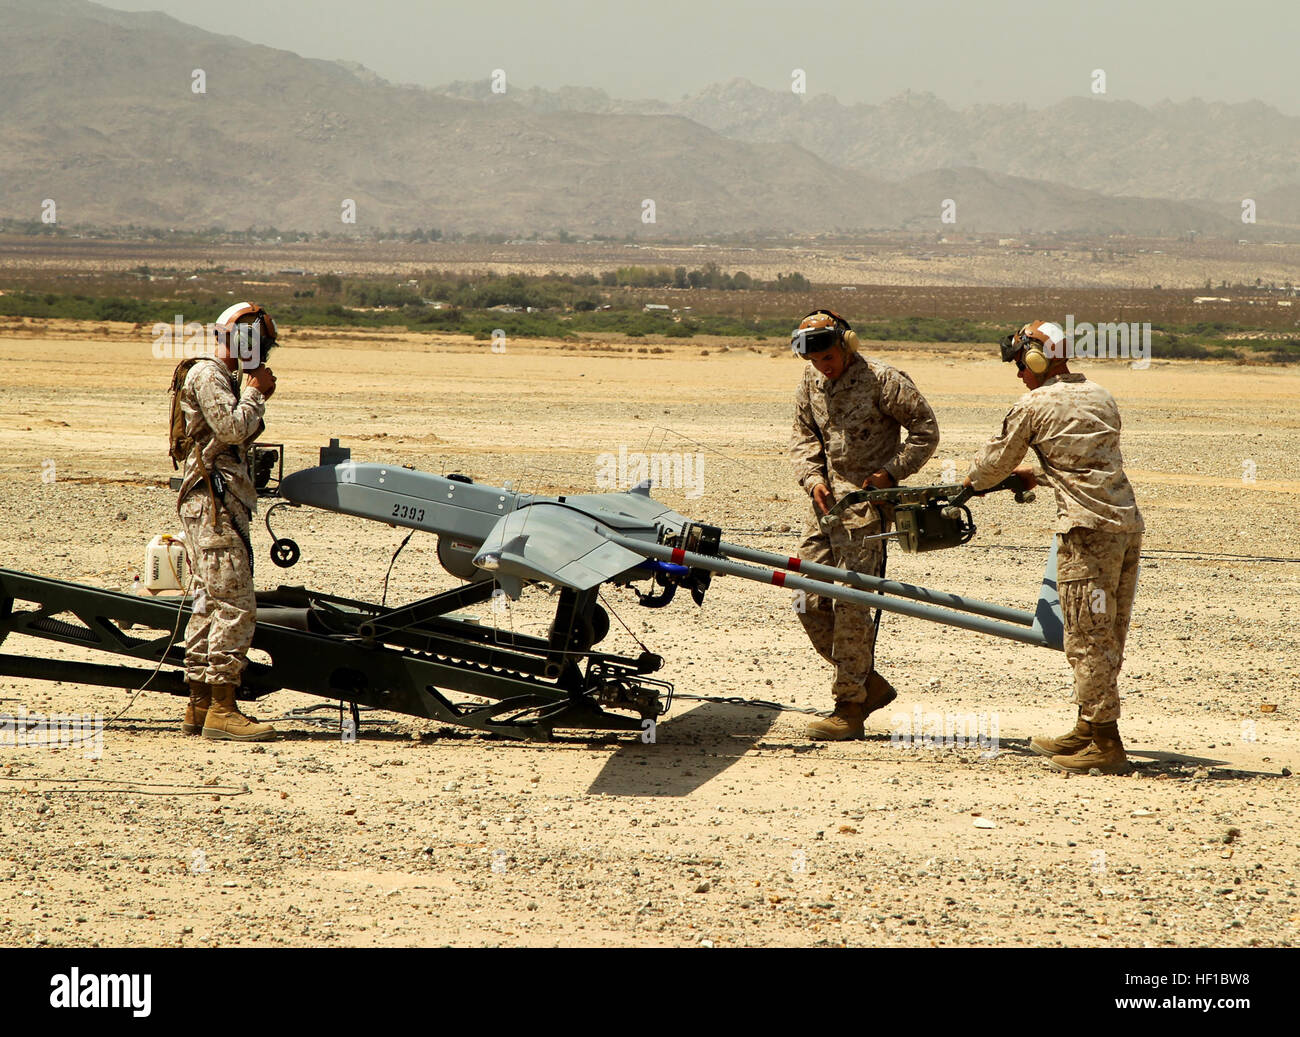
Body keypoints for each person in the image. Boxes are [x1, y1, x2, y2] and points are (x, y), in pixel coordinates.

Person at [964, 320, 1143, 774]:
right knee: (1107, 634)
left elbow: (991, 466)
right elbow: (1085, 463)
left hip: (1085, 535)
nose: (1018, 374)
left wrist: (971, 482)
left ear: (1037, 358)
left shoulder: (1034, 403)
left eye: (1019, 363)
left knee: (1086, 637)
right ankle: (1087, 726)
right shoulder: (1101, 395)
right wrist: (1037, 474)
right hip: (1123, 527)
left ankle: (1105, 743)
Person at [789, 309, 940, 740]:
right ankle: (867, 683)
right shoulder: (810, 382)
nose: (824, 365)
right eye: (815, 360)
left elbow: (925, 431)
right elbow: (803, 435)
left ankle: (849, 706)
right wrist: (813, 478)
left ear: (847, 344)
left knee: (852, 606)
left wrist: (892, 474)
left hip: (866, 513)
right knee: (805, 598)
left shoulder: (884, 380)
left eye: (829, 356)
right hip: (823, 508)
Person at [171, 302, 280, 742]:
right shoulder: (210, 375)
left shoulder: (218, 376)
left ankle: (199, 705)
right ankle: (221, 708)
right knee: (235, 604)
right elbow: (232, 428)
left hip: (214, 501)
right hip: (212, 503)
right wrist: (256, 393)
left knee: (207, 601)